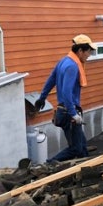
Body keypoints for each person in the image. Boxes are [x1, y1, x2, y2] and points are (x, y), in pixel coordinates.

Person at [35, 34, 95, 162]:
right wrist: (74, 114)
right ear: (80, 51)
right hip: (68, 113)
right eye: (88, 52)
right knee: (76, 149)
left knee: (82, 146)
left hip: (64, 111)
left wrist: (42, 98)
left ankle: (88, 170)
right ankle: (49, 164)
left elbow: (51, 80)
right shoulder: (72, 66)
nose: (89, 55)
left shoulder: (64, 61)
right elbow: (66, 92)